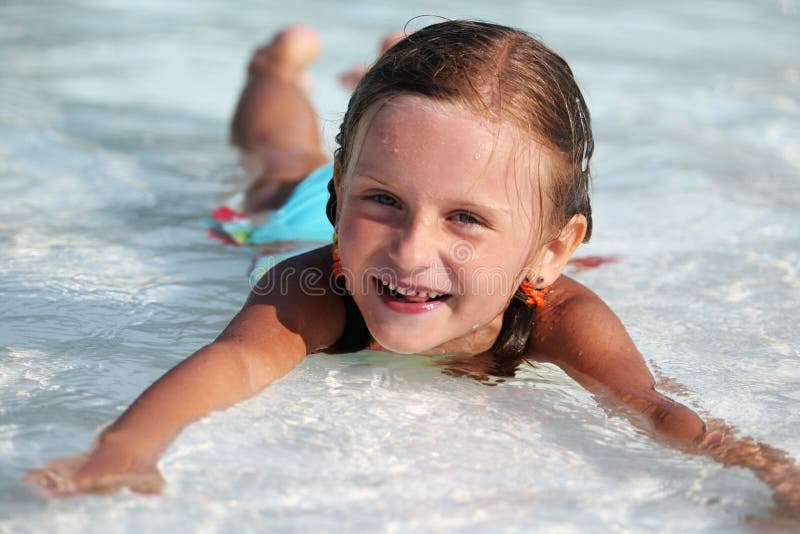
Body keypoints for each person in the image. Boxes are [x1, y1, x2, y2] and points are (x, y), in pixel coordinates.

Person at [24, 20, 800, 511]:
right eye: (384, 202)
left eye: (466, 218)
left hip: (387, 181)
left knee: (407, 145)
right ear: (346, 193)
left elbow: (651, 407)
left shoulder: (561, 316)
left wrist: (764, 469)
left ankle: (393, 75)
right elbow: (229, 364)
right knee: (274, 161)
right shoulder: (310, 288)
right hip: (298, 204)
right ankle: (276, 72)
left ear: (553, 249)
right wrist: (121, 452)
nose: (409, 250)